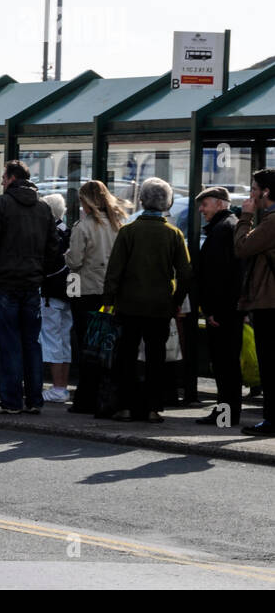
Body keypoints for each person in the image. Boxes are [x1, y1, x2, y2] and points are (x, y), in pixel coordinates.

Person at [103, 177, 191, 423]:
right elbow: (185, 273)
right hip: (160, 306)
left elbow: (114, 270)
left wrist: (109, 300)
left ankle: (126, 407)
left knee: (126, 357)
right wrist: (176, 300)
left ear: (141, 200)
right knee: (156, 357)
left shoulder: (128, 232)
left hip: (128, 305)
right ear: (167, 202)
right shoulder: (174, 234)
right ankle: (152, 408)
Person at [0, 160, 60, 414]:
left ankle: (11, 401)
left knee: (10, 342)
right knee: (31, 343)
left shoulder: (1, 205)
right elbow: (54, 249)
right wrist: (39, 273)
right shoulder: (43, 208)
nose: (2, 181)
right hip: (32, 283)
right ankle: (34, 399)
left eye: (3, 177)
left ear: (12, 178)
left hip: (5, 282)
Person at [65, 180, 125, 414]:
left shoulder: (83, 227)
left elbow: (75, 261)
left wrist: (66, 255)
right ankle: (106, 396)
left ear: (86, 202)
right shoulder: (117, 223)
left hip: (86, 291)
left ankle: (86, 397)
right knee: (108, 346)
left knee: (87, 346)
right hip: (110, 293)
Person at [194, 186, 242, 428]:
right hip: (226, 310)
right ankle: (226, 412)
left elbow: (221, 276)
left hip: (222, 312)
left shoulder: (223, 230)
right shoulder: (226, 227)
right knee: (226, 364)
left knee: (225, 365)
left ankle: (226, 414)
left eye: (206, 204)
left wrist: (215, 311)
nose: (201, 209)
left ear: (221, 204)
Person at [236, 168, 275, 435]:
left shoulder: (271, 222)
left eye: (253, 189)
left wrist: (246, 216)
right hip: (268, 301)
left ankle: (271, 420)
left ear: (266, 192)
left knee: (269, 362)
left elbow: (241, 248)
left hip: (269, 303)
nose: (251, 194)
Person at [40, 193, 74, 403]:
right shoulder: (67, 231)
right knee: (64, 339)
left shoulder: (48, 232)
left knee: (51, 340)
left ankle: (58, 387)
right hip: (67, 293)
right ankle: (62, 385)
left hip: (51, 293)